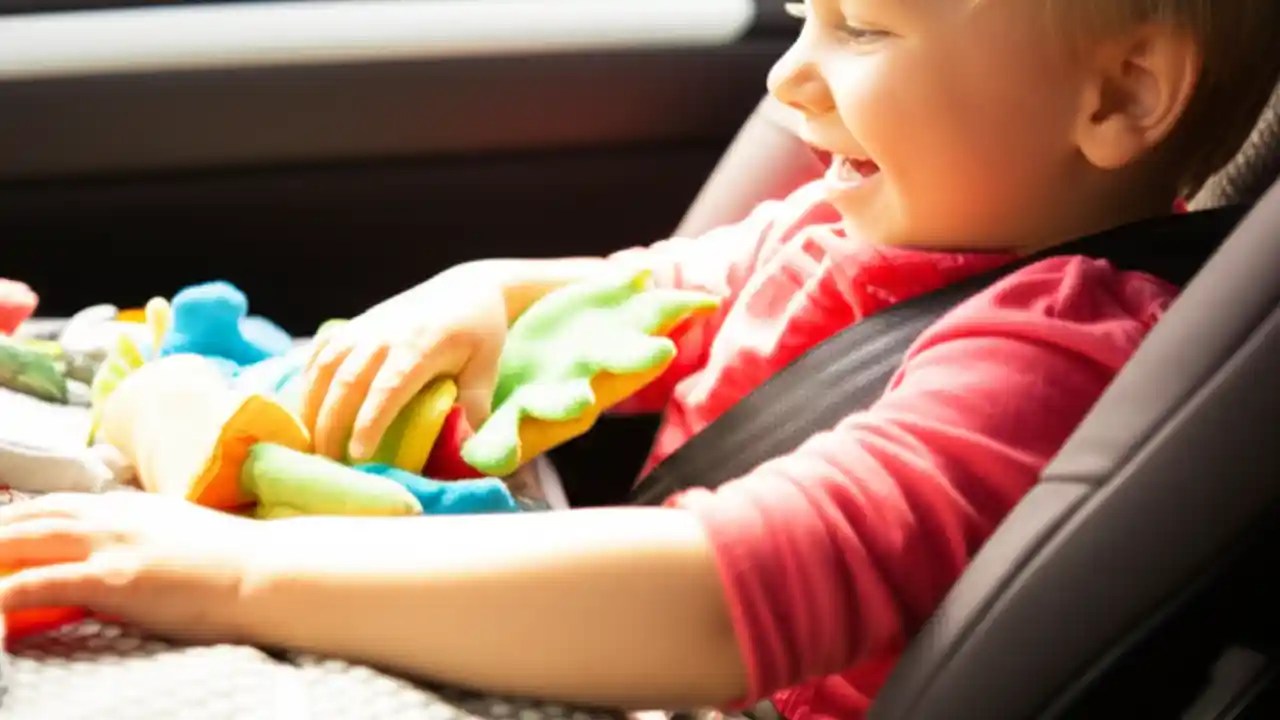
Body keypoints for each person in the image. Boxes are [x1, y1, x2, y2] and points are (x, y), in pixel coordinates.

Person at [2, 1, 1279, 717]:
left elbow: (747, 586)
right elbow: (636, 294)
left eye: (862, 31)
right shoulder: (832, 229)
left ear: (1118, 99)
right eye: (797, 15)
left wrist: (236, 576)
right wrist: (480, 296)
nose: (788, 75)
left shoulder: (1054, 346)